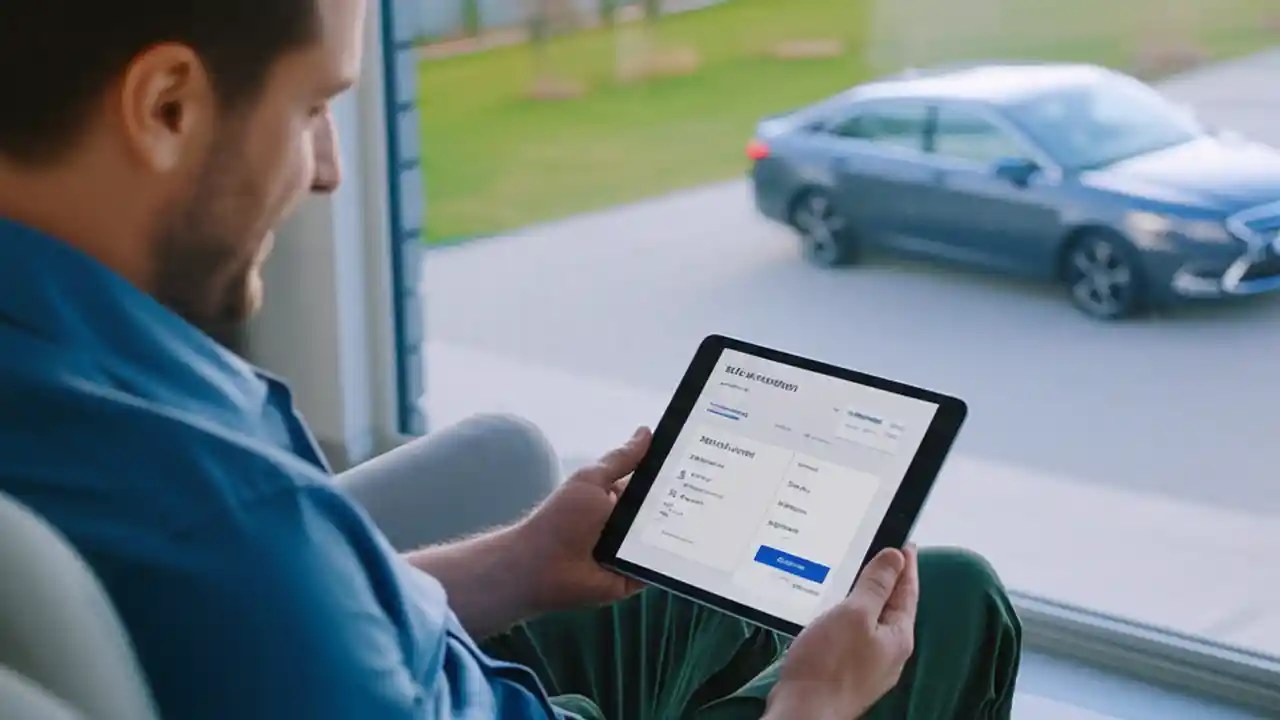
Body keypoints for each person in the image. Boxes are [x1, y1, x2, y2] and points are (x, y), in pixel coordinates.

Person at [0, 0, 1022, 718]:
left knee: (706, 588)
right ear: (167, 105)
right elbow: (268, 594)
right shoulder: (223, 516)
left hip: (422, 664)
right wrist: (811, 705)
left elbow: (293, 623)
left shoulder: (79, 399)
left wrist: (520, 561)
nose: (327, 170)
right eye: (314, 106)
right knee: (950, 602)